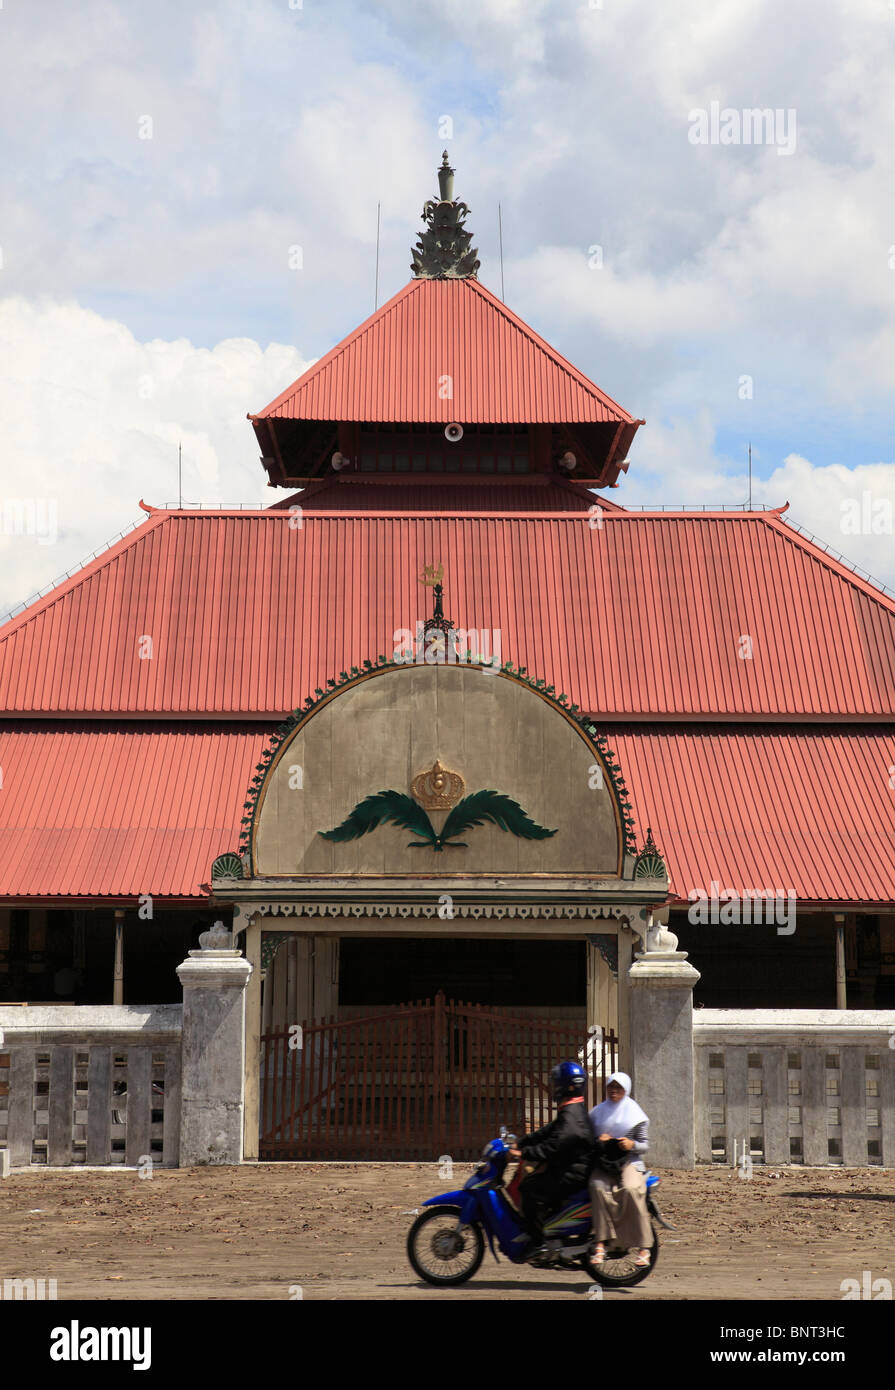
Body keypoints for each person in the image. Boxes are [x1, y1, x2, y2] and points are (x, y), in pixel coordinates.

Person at [508, 1060, 594, 1252]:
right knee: (531, 1176)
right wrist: (521, 1142)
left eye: (557, 1083)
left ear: (568, 1086)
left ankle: (538, 1242)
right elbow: (548, 1132)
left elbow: (552, 1147)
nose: (555, 1087)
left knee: (529, 1188)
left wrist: (523, 1152)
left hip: (573, 1172)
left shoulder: (571, 1115)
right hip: (569, 1166)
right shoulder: (571, 1109)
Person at [588, 1071, 652, 1268]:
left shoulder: (636, 1115)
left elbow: (644, 1145)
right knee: (597, 1187)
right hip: (605, 1162)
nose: (614, 1091)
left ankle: (643, 1248)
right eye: (611, 1087)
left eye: (618, 1088)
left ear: (626, 1090)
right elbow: (589, 1140)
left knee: (632, 1190)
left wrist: (631, 1145)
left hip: (629, 1161)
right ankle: (600, 1243)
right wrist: (599, 1140)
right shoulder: (597, 1113)